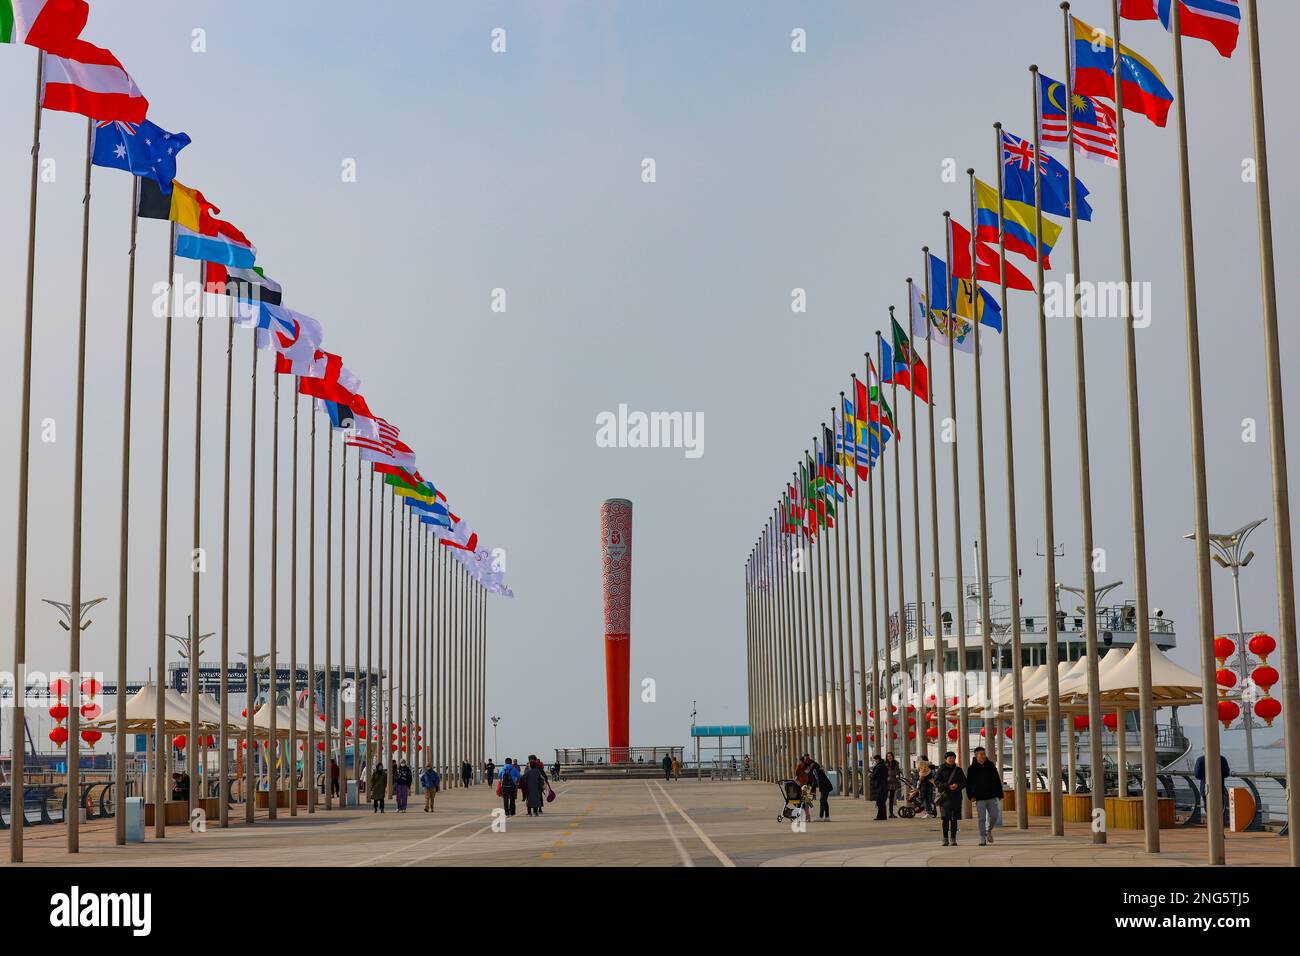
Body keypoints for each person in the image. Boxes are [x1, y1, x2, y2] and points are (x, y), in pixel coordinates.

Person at [966, 746, 1003, 845]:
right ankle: (982, 837)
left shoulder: (991, 766)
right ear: (976, 755)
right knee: (981, 818)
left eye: (984, 754)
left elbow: (997, 780)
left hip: (991, 796)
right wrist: (971, 796)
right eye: (981, 754)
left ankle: (988, 830)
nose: (983, 756)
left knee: (995, 815)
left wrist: (999, 793)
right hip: (979, 798)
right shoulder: (972, 768)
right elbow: (969, 784)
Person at [934, 751, 967, 846]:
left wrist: (957, 785)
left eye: (953, 757)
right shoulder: (941, 769)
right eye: (950, 757)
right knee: (945, 818)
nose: (952, 759)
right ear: (946, 759)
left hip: (956, 797)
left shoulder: (958, 770)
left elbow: (964, 782)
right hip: (945, 798)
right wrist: (948, 786)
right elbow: (937, 782)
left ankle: (953, 838)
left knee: (954, 819)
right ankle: (945, 838)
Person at [1194, 751, 1232, 827]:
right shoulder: (1222, 759)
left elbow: (1197, 775)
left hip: (1205, 788)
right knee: (1219, 807)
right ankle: (1218, 825)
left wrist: (1204, 777)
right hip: (1219, 787)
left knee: (1208, 807)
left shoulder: (1200, 760)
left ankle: (1211, 825)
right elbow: (1226, 773)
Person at [807, 756, 833, 821]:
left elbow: (818, 780)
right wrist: (812, 789)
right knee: (824, 801)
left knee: (822, 801)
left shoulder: (815, 770)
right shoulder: (816, 770)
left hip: (825, 787)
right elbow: (815, 781)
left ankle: (822, 817)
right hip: (825, 787)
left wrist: (815, 789)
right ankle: (826, 817)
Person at [869, 756, 888, 820]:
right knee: (882, 802)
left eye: (875, 760)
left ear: (878, 759)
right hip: (884, 785)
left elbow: (874, 776)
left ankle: (880, 816)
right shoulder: (884, 766)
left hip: (880, 785)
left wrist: (870, 775)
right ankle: (883, 816)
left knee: (879, 801)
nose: (874, 761)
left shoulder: (879, 766)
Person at [884, 752, 901, 818]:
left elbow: (898, 771)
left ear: (892, 756)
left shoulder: (896, 763)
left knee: (891, 798)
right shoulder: (885, 764)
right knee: (884, 797)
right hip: (887, 782)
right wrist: (886, 777)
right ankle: (883, 811)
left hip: (893, 782)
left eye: (890, 756)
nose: (889, 757)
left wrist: (897, 775)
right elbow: (884, 772)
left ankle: (891, 813)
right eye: (888, 756)